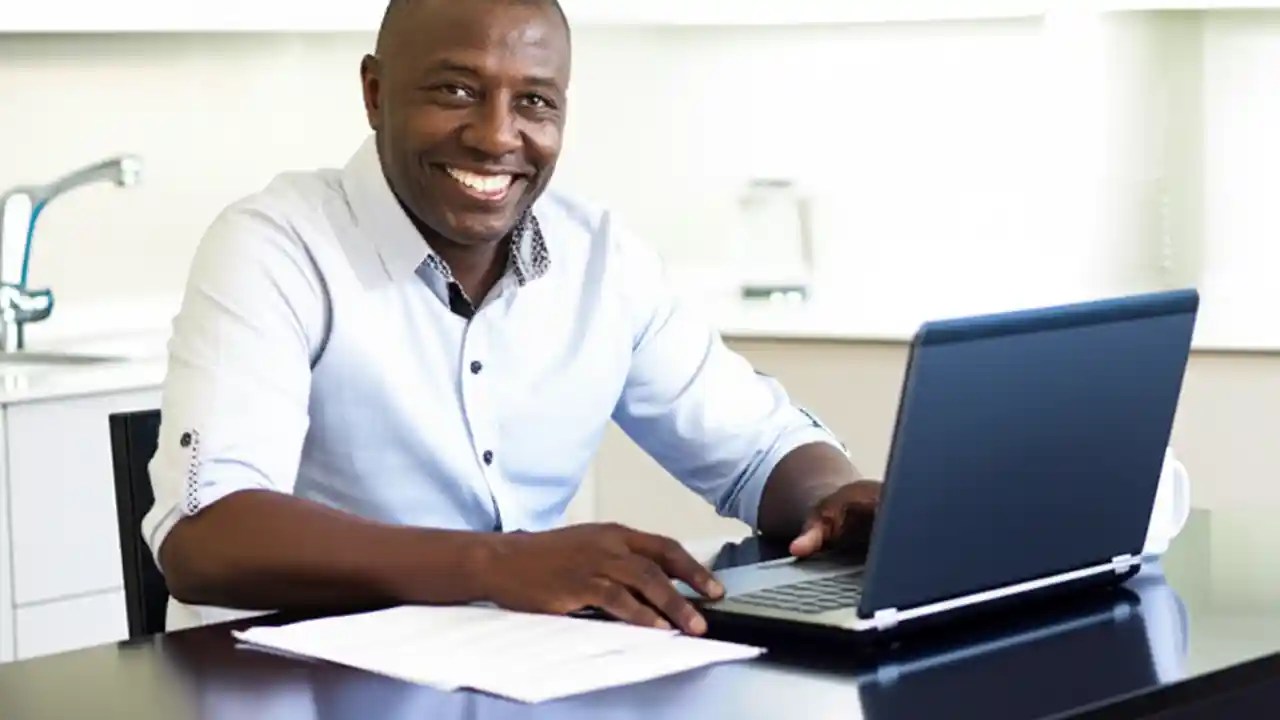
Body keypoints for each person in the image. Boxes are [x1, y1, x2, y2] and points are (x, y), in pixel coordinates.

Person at [141, 0, 1190, 634]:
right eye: (454, 91)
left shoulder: (599, 256)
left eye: (535, 102)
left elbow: (755, 448)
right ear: (374, 92)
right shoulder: (275, 244)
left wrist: (835, 499)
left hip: (520, 676)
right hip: (289, 685)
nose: (498, 135)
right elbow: (206, 536)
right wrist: (496, 565)